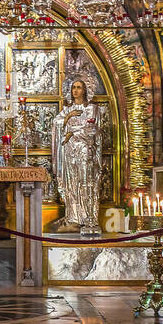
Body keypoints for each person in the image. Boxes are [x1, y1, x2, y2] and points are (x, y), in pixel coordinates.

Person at [52, 77, 102, 234]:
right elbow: (56, 125)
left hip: (85, 151)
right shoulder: (67, 110)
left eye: (79, 87)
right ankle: (73, 218)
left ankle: (89, 218)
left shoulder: (92, 109)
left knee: (86, 183)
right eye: (74, 87)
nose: (76, 90)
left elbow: (93, 130)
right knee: (71, 184)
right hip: (69, 152)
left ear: (85, 90)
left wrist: (71, 132)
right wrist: (69, 116)